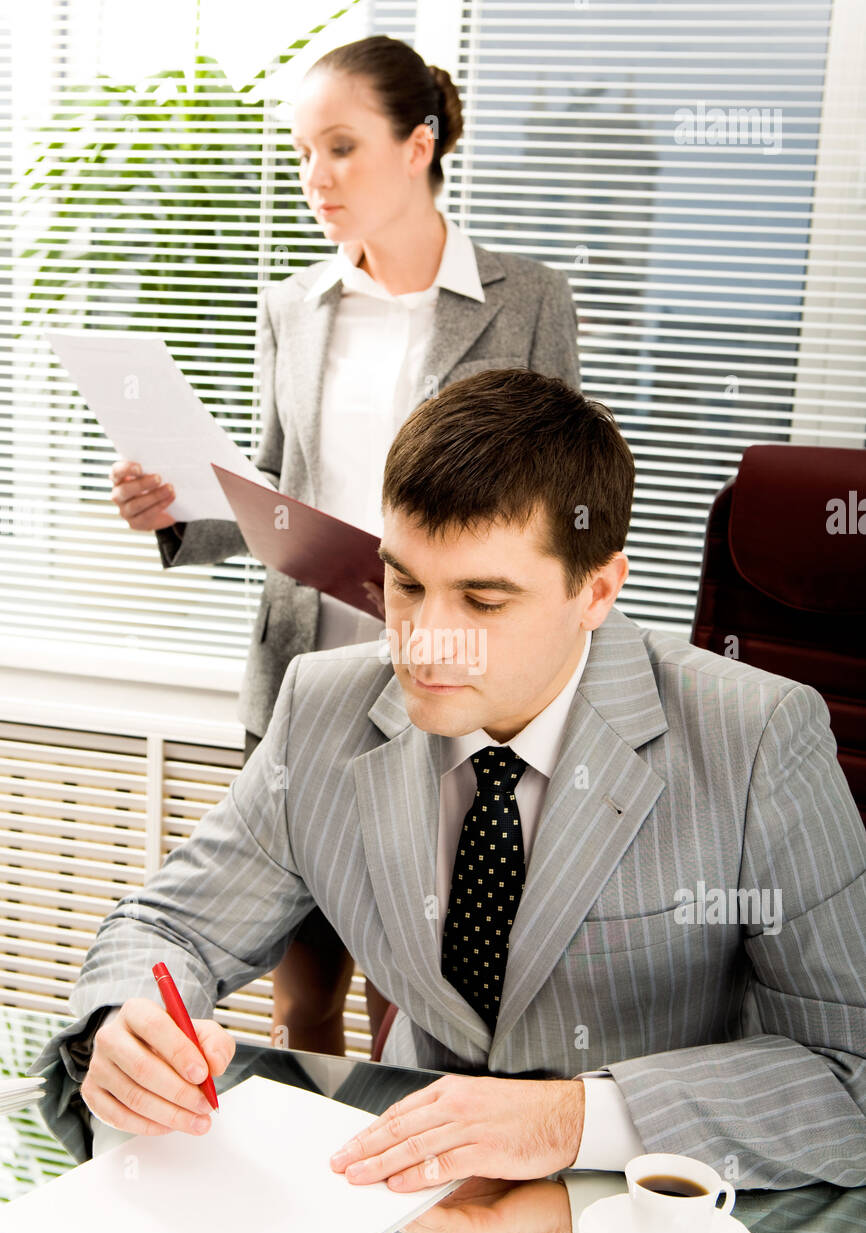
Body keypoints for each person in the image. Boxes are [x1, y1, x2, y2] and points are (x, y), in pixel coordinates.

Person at [31, 368, 866, 1233]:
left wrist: (566, 1120)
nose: (426, 642)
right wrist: (127, 1023)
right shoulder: (324, 708)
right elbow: (170, 928)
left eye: (483, 600)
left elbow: (850, 1072)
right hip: (391, 1218)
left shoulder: (755, 739)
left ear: (597, 590)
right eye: (404, 583)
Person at [106, 34, 581, 1058]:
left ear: (419, 144)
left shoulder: (528, 299)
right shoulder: (292, 308)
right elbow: (279, 497)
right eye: (302, 153)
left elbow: (561, 503)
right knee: (298, 1001)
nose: (315, 177)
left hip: (447, 683)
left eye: (341, 148)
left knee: (416, 1014)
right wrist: (180, 510)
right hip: (306, 688)